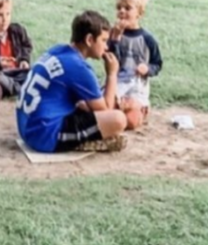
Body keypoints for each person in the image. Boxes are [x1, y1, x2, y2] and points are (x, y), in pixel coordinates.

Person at [17, 10, 128, 153]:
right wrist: (112, 74)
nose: (106, 47)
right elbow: (106, 110)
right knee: (118, 119)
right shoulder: (79, 67)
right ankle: (83, 143)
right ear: (89, 40)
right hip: (44, 137)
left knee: (84, 104)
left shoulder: (57, 50)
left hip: (26, 128)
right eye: (104, 40)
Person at [109, 0, 163, 129]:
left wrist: (148, 69)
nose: (122, 11)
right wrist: (115, 40)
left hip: (137, 88)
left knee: (131, 121)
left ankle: (139, 111)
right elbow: (110, 59)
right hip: (117, 85)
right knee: (106, 110)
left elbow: (157, 64)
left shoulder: (147, 39)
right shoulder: (113, 34)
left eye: (127, 8)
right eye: (119, 7)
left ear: (140, 13)